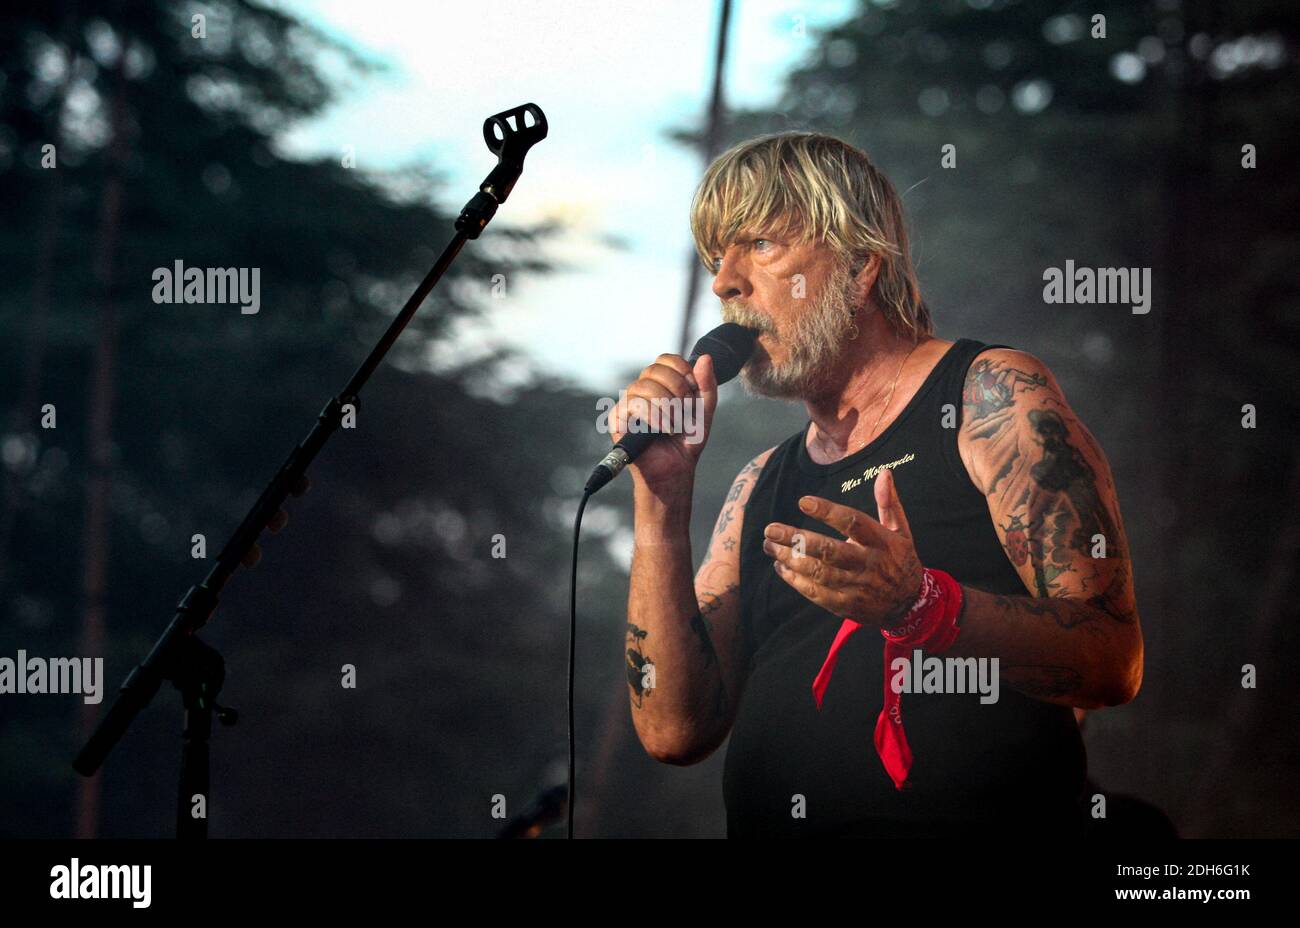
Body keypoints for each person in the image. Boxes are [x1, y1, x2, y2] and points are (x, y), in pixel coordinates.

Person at [613, 132, 1144, 837]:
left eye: (760, 245)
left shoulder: (991, 395)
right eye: (718, 257)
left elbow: (1113, 661)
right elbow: (674, 731)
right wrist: (661, 505)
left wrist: (924, 606)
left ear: (861, 267)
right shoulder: (758, 484)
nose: (724, 282)